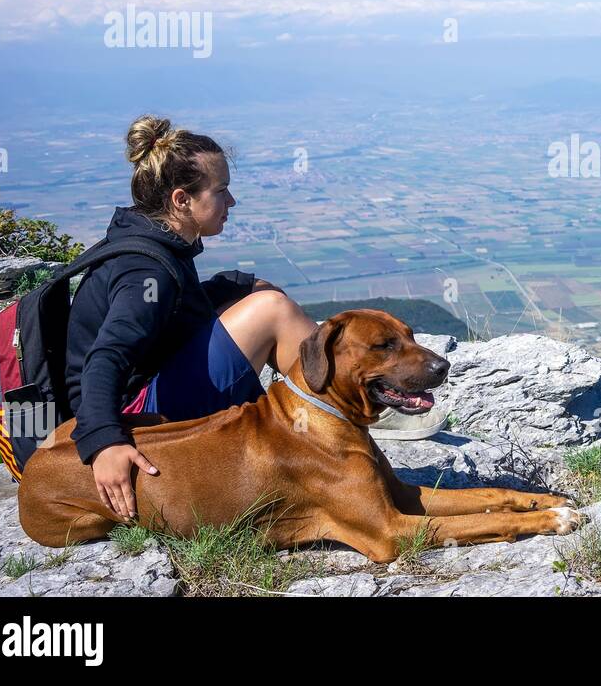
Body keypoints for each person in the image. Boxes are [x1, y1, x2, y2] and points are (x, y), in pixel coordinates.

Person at [66, 114, 443, 523]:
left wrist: (238, 284)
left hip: (147, 394)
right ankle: (360, 402)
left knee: (261, 296)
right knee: (271, 311)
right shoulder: (146, 273)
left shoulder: (151, 242)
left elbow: (175, 313)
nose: (231, 202)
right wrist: (104, 443)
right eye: (221, 191)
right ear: (182, 200)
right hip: (135, 416)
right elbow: (105, 357)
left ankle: (352, 399)